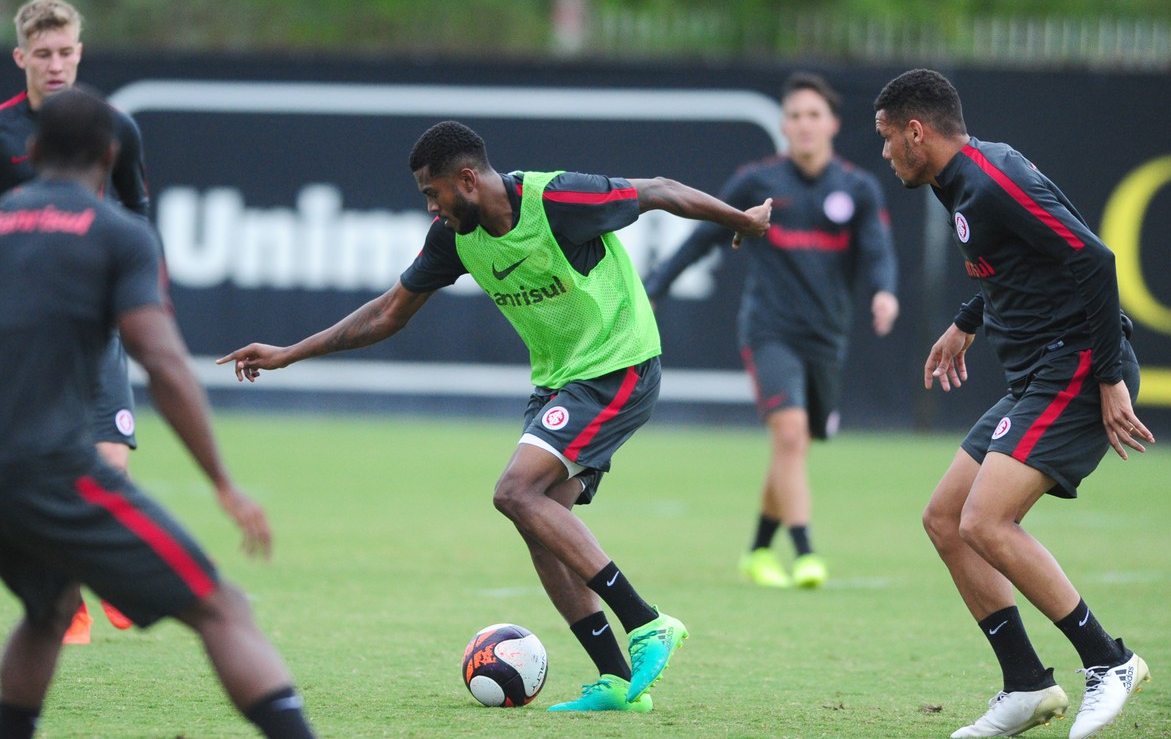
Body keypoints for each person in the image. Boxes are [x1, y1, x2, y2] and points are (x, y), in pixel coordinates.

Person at [218, 120, 772, 712]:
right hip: (561, 380)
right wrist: (289, 354)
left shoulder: (558, 198)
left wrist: (743, 222)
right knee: (537, 521)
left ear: (467, 179)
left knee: (514, 492)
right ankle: (616, 680)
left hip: (620, 366)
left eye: (433, 193)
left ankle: (647, 622)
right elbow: (387, 314)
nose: (431, 206)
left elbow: (661, 189)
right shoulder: (453, 237)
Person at [0, 88, 317, 739]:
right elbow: (163, 363)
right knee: (222, 606)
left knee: (49, 606)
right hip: (48, 470)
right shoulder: (119, 233)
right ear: (110, 155)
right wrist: (223, 482)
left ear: (31, 153)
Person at [873, 68, 1152, 739]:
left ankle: (1109, 661)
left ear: (917, 132)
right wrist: (969, 318)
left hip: (1078, 365)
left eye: (886, 138)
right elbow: (1019, 257)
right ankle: (1027, 683)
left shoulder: (992, 179)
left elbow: (1094, 258)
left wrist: (1110, 376)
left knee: (986, 521)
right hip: (1037, 375)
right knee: (945, 518)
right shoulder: (957, 180)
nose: (884, 153)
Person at [643, 72, 899, 589]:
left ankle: (758, 550)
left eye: (813, 115)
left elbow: (877, 248)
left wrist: (885, 290)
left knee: (799, 444)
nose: (803, 125)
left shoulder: (858, 187)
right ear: (783, 125)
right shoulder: (756, 182)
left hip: (827, 336)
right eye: (794, 116)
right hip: (769, 331)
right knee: (790, 434)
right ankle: (805, 553)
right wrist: (651, 289)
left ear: (832, 124)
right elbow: (701, 239)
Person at [1, 0, 155, 643]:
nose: (57, 64)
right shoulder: (4, 132)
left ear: (81, 52)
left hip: (94, 324)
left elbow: (136, 209)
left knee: (109, 462)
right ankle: (70, 597)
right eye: (44, 54)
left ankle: (99, 576)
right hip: (24, 331)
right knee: (38, 462)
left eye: (67, 52)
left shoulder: (113, 128)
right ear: (21, 59)